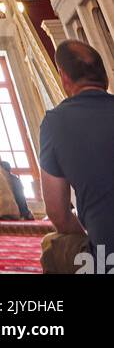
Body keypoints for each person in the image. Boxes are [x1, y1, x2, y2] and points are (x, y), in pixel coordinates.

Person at [40, 39, 114, 274]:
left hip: (106, 261)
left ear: (64, 77)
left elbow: (58, 214)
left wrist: (93, 238)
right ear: (105, 76)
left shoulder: (55, 122)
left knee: (51, 246)